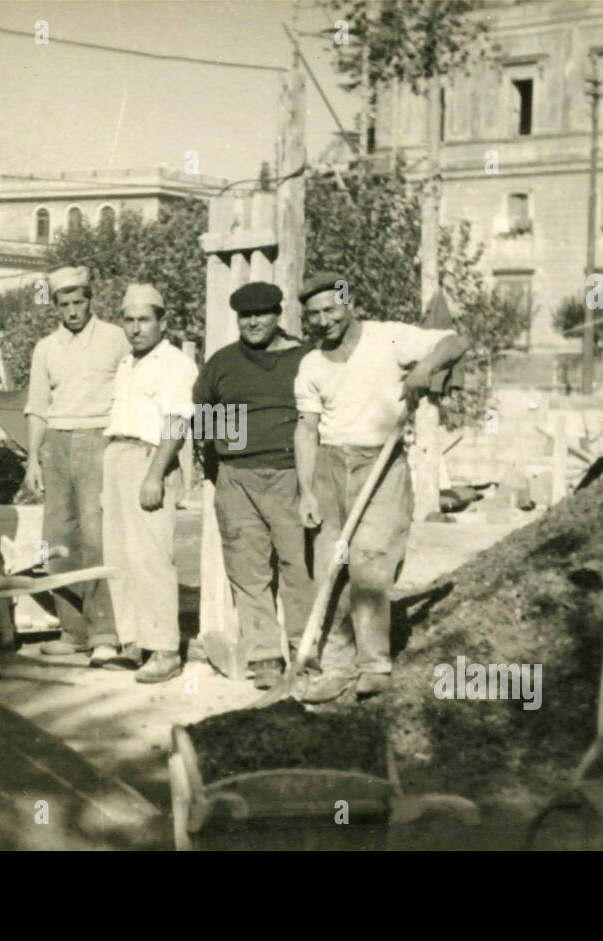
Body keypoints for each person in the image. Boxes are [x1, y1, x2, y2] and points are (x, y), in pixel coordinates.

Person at [293, 272, 469, 702]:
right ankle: (331, 663)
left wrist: (425, 367)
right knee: (329, 565)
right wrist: (307, 490)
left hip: (382, 461)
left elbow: (455, 342)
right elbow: (305, 429)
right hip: (330, 464)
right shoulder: (312, 364)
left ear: (348, 303)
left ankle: (373, 665)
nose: (323, 320)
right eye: (313, 314)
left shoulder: (388, 338)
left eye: (330, 309)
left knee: (370, 562)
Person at [191, 281, 315, 689]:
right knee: (247, 570)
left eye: (262, 313)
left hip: (291, 477)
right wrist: (222, 465)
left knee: (299, 567)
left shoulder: (306, 358)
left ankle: (304, 649)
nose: (253, 322)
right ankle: (264, 656)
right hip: (236, 479)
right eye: (245, 315)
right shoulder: (222, 362)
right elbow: (203, 420)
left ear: (279, 315)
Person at [23, 266, 129, 666]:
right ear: (55, 306)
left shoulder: (115, 338)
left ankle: (105, 632)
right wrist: (33, 458)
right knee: (57, 537)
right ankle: (72, 631)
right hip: (56, 445)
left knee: (96, 536)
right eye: (63, 304)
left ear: (90, 299)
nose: (72, 311)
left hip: (99, 439)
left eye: (78, 301)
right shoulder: (46, 347)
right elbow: (37, 407)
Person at [101, 283, 199, 683]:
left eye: (145, 319)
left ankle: (164, 649)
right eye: (129, 319)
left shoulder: (175, 364)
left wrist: (155, 474)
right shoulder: (128, 363)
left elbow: (177, 423)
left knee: (151, 558)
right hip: (118, 456)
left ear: (163, 321)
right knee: (120, 558)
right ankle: (133, 642)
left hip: (150, 459)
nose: (136, 328)